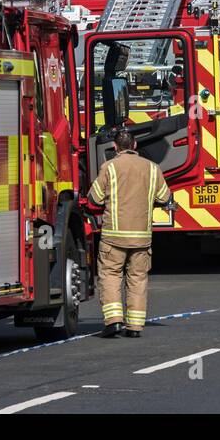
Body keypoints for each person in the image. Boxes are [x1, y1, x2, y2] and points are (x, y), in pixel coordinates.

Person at [86, 128, 171, 339]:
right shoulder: (152, 169)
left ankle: (114, 321)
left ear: (115, 147)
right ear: (134, 146)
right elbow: (164, 196)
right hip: (141, 237)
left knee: (110, 276)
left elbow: (94, 199)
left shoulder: (109, 167)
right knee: (137, 279)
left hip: (114, 237)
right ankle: (134, 327)